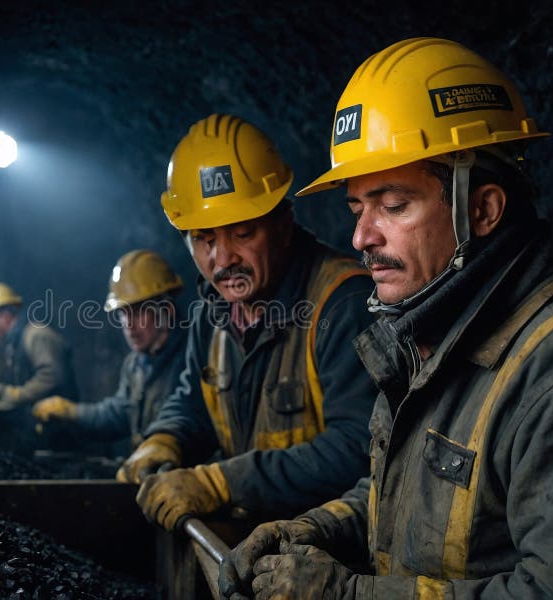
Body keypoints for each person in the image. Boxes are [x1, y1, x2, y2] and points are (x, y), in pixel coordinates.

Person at [220, 37, 553, 600]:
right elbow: (405, 490)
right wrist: (316, 528)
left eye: (393, 206)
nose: (361, 237)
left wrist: (349, 595)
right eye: (357, 209)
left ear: (481, 209)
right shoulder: (429, 329)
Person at [119, 113, 377, 530]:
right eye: (204, 240)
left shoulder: (343, 302)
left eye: (242, 233)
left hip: (326, 551)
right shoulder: (212, 312)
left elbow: (359, 447)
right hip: (248, 543)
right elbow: (194, 401)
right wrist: (165, 437)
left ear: (282, 225)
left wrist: (225, 482)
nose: (223, 260)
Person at [31, 249, 188, 451]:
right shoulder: (135, 364)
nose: (129, 324)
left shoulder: (190, 358)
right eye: (123, 313)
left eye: (138, 312)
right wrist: (72, 412)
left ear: (166, 310)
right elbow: (119, 415)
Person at [0, 281, 80, 454]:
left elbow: (52, 376)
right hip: (42, 429)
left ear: (5, 315)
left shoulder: (37, 335)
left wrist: (13, 395)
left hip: (61, 429)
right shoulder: (14, 342)